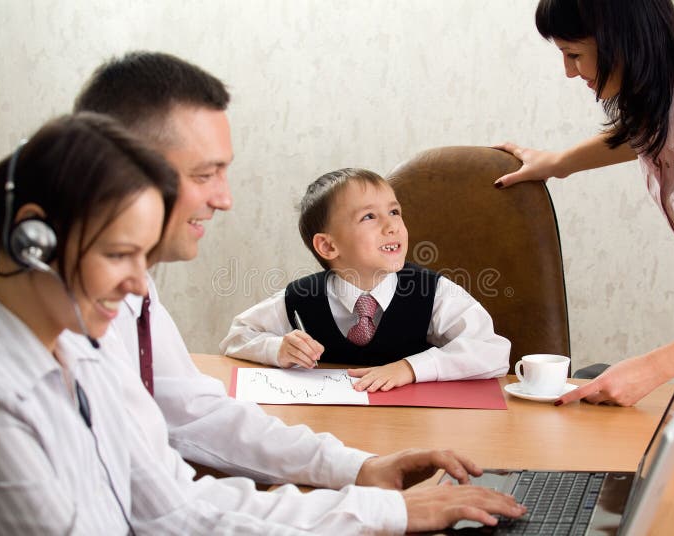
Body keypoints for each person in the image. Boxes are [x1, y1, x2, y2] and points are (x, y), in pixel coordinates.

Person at [73, 51, 526, 533]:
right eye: (205, 175)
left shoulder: (132, 294)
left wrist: (358, 468)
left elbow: (193, 416)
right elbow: (169, 508)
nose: (225, 198)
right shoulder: (60, 325)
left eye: (394, 212)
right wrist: (383, 512)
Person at [0, 113, 291, 533]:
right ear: (34, 239)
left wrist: (379, 509)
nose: (138, 285)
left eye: (144, 256)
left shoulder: (80, 348)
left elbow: (174, 506)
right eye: (119, 255)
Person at [493, 0, 674, 406]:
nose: (569, 71)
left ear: (621, 42)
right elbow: (652, 130)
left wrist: (653, 369)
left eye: (574, 55)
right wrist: (559, 163)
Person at [221, 168, 511, 393]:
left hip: (414, 428)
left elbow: (492, 351)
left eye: (394, 212)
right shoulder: (300, 297)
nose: (391, 226)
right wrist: (278, 349)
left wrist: (410, 368)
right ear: (328, 246)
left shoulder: (432, 292)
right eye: (369, 216)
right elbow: (237, 336)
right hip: (334, 428)